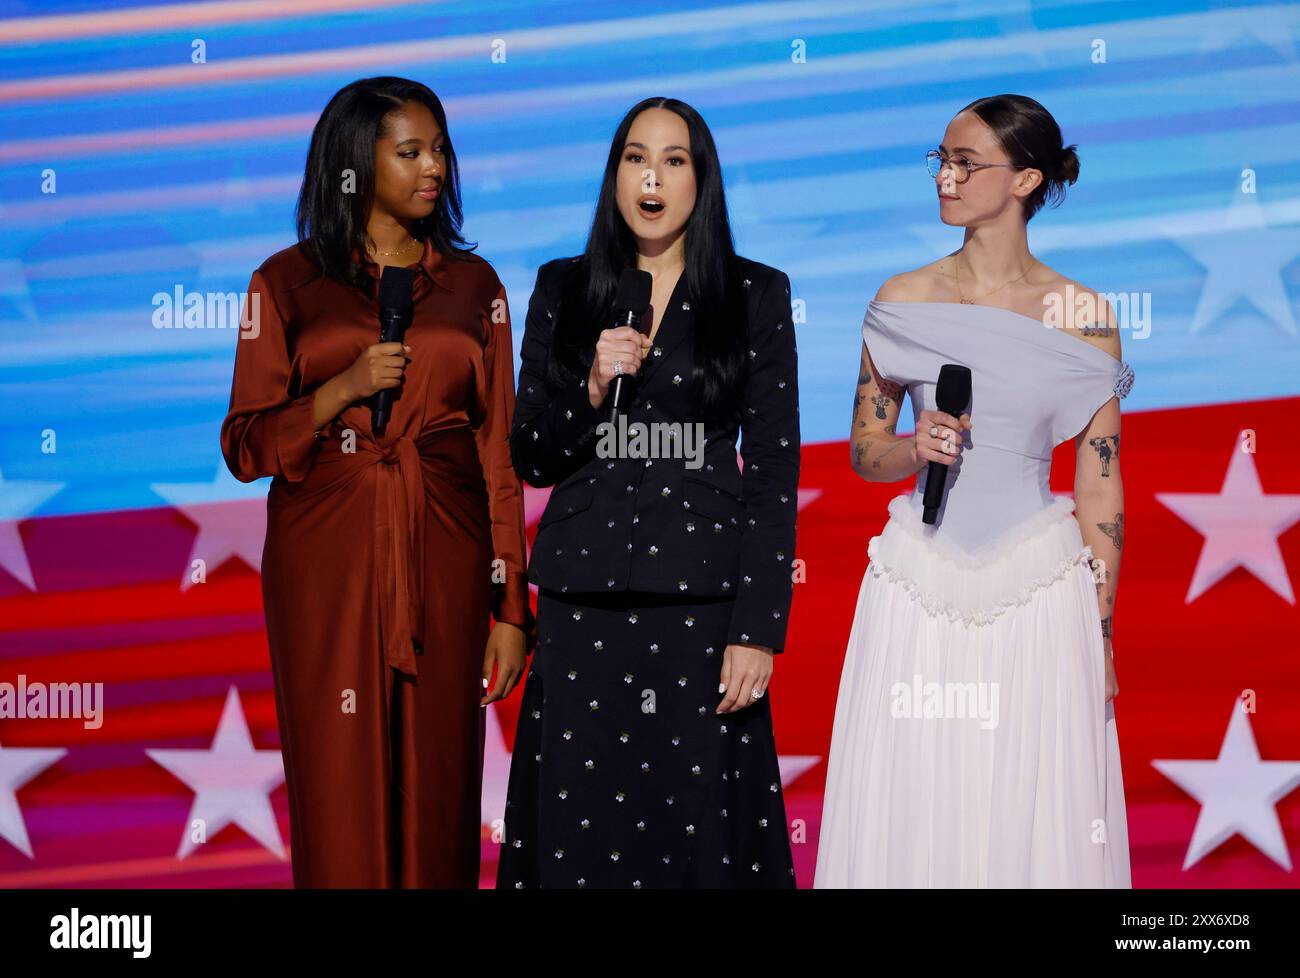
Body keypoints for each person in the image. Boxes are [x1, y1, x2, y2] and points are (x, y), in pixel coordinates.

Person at [220, 76, 532, 887]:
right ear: (357, 164)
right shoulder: (284, 283)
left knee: (439, 785)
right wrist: (338, 391)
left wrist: (510, 607)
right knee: (339, 787)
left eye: (439, 150)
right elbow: (245, 445)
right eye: (410, 152)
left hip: (448, 554)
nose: (433, 168)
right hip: (327, 562)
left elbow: (498, 455)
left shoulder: (477, 288)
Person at [815, 94, 1133, 887]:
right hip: (918, 580)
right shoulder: (902, 300)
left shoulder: (1083, 316)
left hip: (1039, 590)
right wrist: (910, 447)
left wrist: (1099, 634)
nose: (945, 177)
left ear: (1026, 178)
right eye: (941, 161)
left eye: (966, 163)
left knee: (1032, 801)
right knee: (915, 796)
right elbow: (864, 449)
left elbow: (1100, 489)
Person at [496, 97, 800, 888]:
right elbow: (531, 453)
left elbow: (773, 474)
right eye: (635, 157)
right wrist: (592, 384)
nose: (652, 177)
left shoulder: (756, 296)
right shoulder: (564, 288)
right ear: (614, 175)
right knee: (578, 836)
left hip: (699, 608)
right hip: (580, 604)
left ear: (702, 178)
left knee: (694, 837)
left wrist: (758, 629)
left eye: (673, 159)